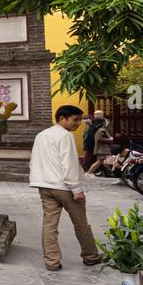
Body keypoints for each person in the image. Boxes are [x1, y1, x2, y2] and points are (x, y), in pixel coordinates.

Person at [30, 105, 102, 272]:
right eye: (75, 120)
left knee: (49, 225)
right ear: (62, 118)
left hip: (45, 185)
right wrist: (76, 189)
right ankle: (91, 256)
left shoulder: (41, 135)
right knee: (81, 223)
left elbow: (33, 160)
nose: (78, 124)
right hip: (65, 187)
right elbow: (69, 164)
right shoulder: (65, 136)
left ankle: (52, 262)